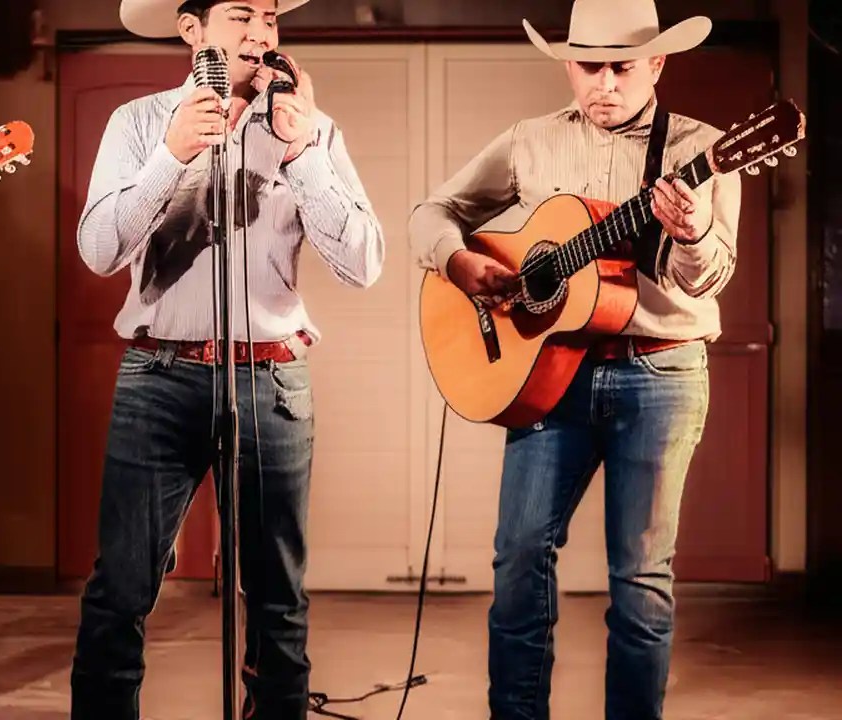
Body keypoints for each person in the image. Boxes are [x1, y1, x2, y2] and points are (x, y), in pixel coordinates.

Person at [410, 1, 741, 718]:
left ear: (656, 63)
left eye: (622, 67)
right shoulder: (528, 141)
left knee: (640, 580)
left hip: (662, 373)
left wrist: (692, 232)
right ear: (567, 64)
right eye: (588, 66)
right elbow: (431, 212)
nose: (604, 83)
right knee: (519, 560)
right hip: (549, 374)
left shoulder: (705, 150)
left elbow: (704, 280)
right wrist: (461, 261)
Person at [69, 0, 384, 717]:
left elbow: (364, 263)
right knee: (120, 589)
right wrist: (172, 158)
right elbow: (97, 250)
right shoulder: (142, 124)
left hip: (270, 378)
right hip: (159, 376)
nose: (260, 34)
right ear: (192, 30)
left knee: (277, 596)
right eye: (241, 14)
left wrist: (304, 155)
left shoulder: (309, 129)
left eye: (270, 18)